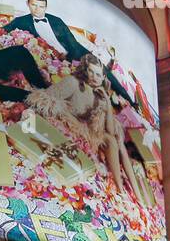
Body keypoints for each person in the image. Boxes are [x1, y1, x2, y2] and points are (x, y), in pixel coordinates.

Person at [25, 55, 145, 202]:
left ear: (103, 78)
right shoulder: (73, 83)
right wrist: (67, 117)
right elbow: (46, 98)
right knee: (112, 141)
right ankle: (121, 189)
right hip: (65, 123)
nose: (94, 77)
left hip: (85, 130)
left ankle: (130, 190)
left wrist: (107, 103)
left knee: (115, 139)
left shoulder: (99, 95)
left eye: (98, 75)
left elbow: (110, 130)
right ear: (85, 71)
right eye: (91, 72)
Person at [4, 0, 133, 107]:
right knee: (83, 88)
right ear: (28, 4)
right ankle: (111, 103)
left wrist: (72, 61)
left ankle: (128, 100)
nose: (38, 10)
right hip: (54, 60)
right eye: (34, 5)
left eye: (41, 6)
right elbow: (3, 29)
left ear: (46, 7)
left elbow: (72, 43)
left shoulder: (56, 21)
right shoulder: (21, 21)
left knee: (101, 70)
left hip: (75, 52)